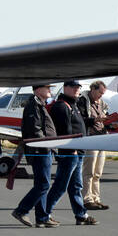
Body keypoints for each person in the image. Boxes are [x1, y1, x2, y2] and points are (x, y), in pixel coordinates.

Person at [45, 80, 96, 225]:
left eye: (78, 87)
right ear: (65, 88)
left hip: (76, 152)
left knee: (75, 186)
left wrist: (93, 121)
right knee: (61, 185)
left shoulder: (73, 104)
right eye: (73, 87)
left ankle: (81, 215)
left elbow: (77, 124)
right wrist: (71, 149)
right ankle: (44, 213)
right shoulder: (62, 106)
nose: (76, 90)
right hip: (70, 152)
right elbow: (65, 131)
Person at [11, 84, 58, 227]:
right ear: (38, 90)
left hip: (44, 149)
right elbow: (35, 129)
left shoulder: (40, 105)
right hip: (40, 150)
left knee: (41, 184)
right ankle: (21, 210)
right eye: (47, 87)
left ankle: (42, 217)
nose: (50, 90)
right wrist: (45, 144)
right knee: (43, 184)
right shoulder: (33, 106)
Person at [78, 80, 110, 211]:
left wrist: (110, 123)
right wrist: (95, 120)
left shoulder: (102, 103)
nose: (101, 96)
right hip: (91, 138)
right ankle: (87, 199)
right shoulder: (82, 101)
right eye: (100, 93)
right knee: (88, 172)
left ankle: (96, 198)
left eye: (103, 93)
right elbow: (80, 120)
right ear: (93, 89)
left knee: (97, 173)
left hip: (102, 138)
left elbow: (106, 118)